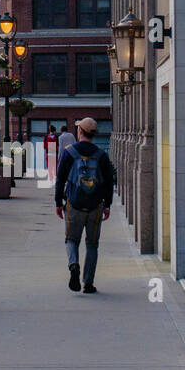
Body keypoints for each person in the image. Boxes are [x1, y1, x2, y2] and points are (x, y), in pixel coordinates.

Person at [55, 117, 115, 294]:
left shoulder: (69, 152)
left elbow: (60, 180)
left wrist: (58, 202)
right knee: (92, 244)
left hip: (74, 204)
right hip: (95, 206)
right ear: (94, 134)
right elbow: (108, 182)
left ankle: (73, 265)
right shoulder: (101, 155)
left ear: (80, 131)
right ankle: (88, 283)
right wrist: (107, 205)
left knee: (72, 240)